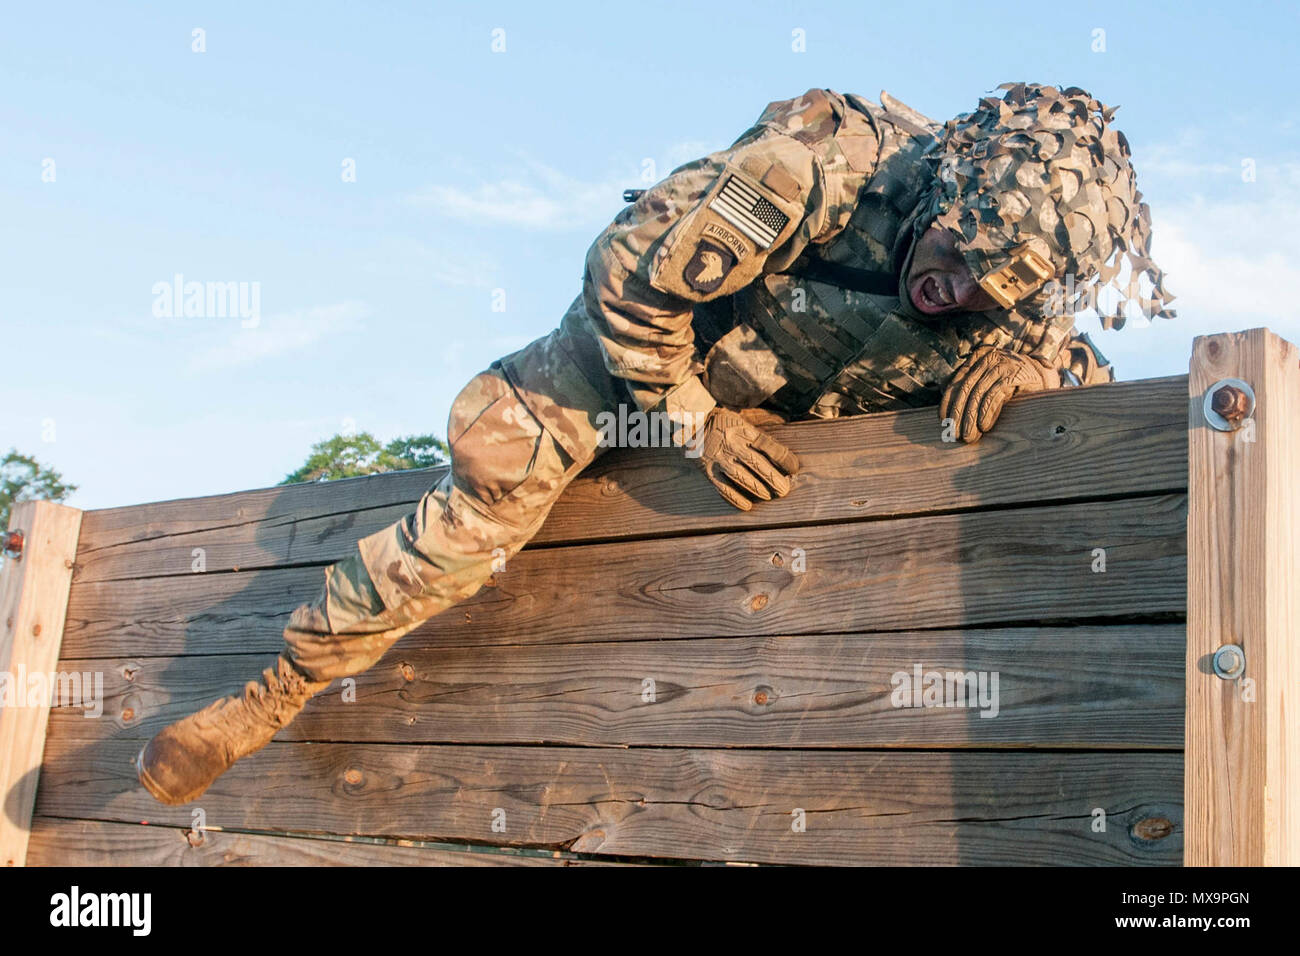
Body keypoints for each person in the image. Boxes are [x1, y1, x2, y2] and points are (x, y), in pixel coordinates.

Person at [136, 81, 1173, 805]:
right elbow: (631, 279)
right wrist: (692, 420)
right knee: (495, 482)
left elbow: (1092, 400)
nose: (952, 290)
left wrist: (1045, 376)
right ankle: (270, 695)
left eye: (990, 288)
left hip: (804, 411)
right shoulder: (819, 167)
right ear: (946, 195)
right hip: (662, 351)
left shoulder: (1018, 294)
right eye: (953, 255)